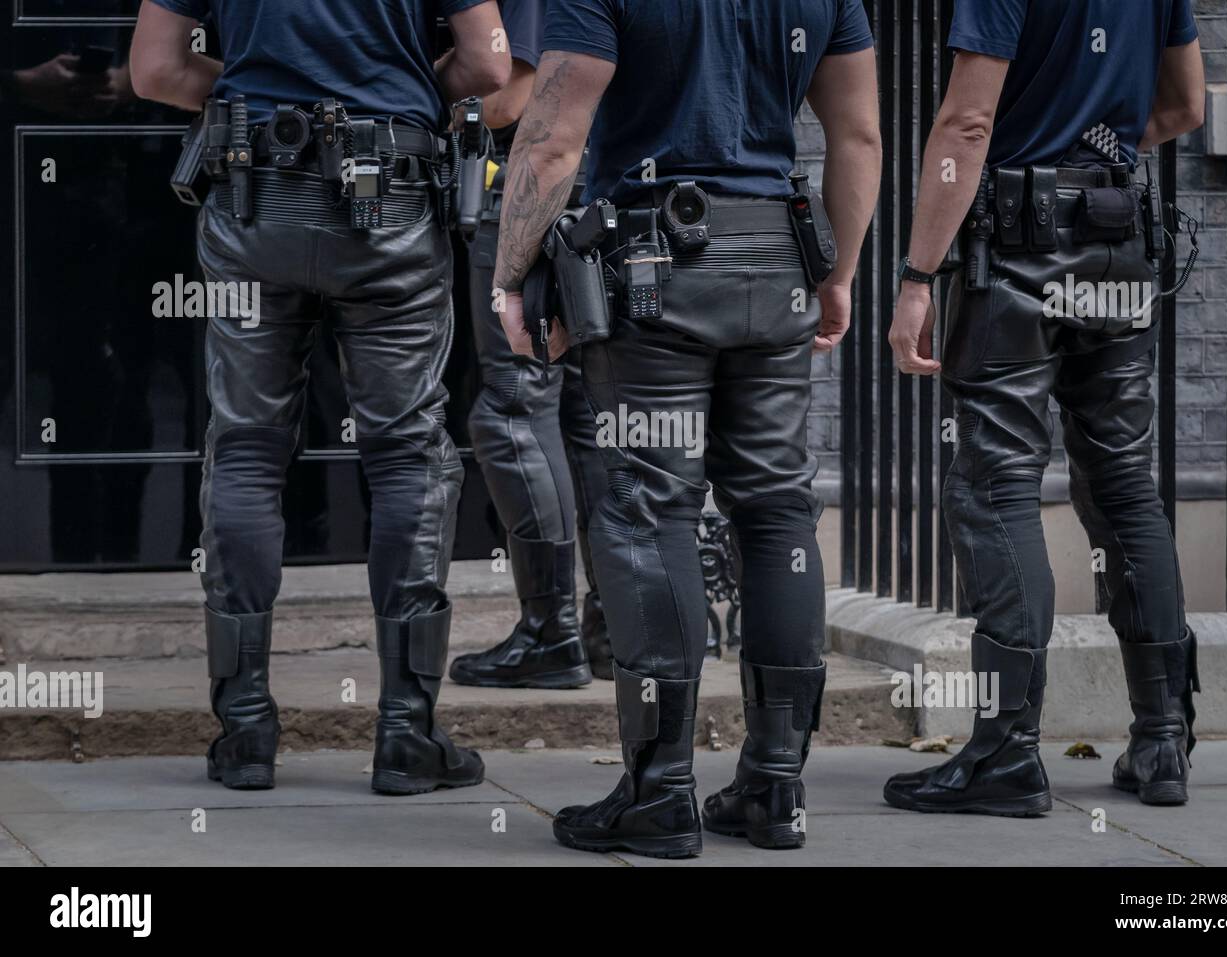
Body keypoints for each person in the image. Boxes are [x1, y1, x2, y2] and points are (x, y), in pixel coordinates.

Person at [493, 0, 881, 857]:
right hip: (779, 260)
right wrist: (840, 272)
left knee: (647, 510)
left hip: (651, 264)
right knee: (778, 508)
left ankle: (661, 788)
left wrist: (512, 276)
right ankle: (776, 787)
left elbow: (555, 137)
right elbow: (857, 136)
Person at [129, 0, 510, 793]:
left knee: (244, 447)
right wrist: (397, 86)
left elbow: (157, 70)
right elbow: (488, 67)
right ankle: (407, 733)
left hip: (251, 194)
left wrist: (254, 94)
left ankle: (243, 732)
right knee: (408, 454)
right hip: (392, 204)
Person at [885, 0, 1205, 813]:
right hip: (1122, 233)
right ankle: (1164, 736)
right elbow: (1185, 107)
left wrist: (919, 276)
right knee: (1125, 482)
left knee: (994, 483)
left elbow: (965, 123)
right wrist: (1090, 163)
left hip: (1024, 249)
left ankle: (1006, 749)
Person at [449, 0, 615, 690]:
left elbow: (506, 97)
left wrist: (407, 86)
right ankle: (613, 626)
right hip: (603, 200)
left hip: (535, 196)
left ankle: (551, 633)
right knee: (590, 415)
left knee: (514, 408)